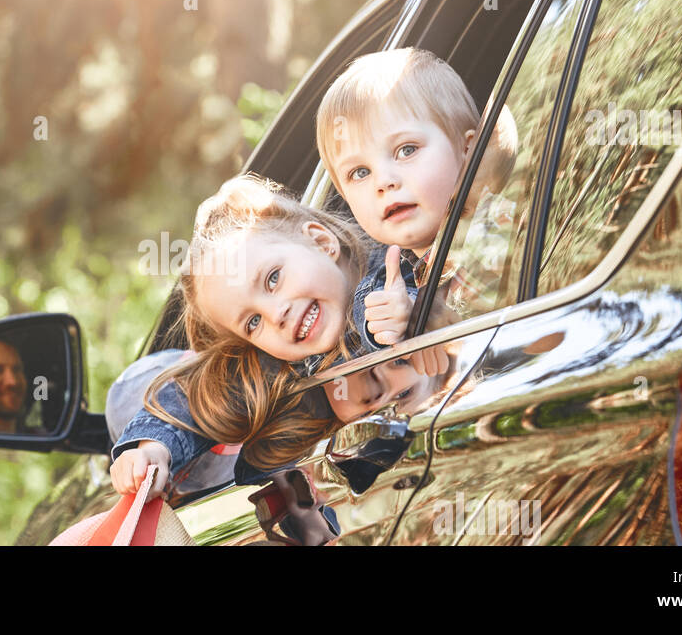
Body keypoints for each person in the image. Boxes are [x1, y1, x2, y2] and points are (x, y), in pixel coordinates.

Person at [110, 176, 444, 497]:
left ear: (321, 241)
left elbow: (405, 304)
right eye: (253, 322)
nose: (276, 315)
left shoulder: (395, 268)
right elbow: (197, 400)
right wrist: (152, 448)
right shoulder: (281, 366)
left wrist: (409, 313)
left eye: (273, 279)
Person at [316, 47, 518, 331]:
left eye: (406, 150)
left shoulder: (498, 225)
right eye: (360, 172)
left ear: (467, 149)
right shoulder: (381, 277)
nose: (384, 182)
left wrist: (419, 321)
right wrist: (394, 321)